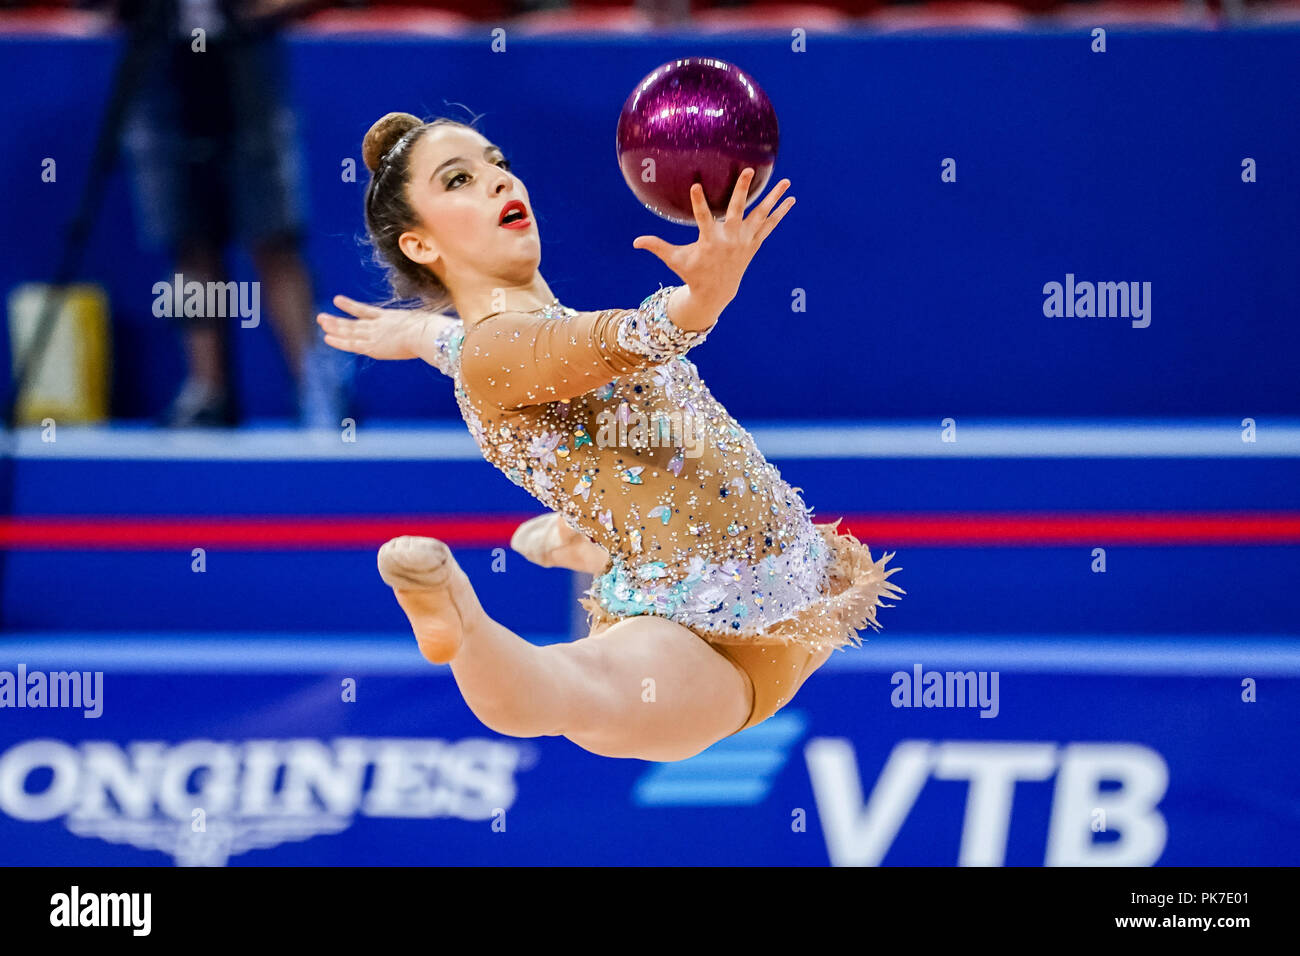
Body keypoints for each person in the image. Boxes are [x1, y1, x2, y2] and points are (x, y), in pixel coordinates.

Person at [316, 112, 904, 762]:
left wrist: (422, 335)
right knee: (570, 689)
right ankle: (456, 615)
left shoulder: (487, 347)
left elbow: (490, 346)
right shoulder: (496, 350)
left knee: (593, 558)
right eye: (458, 179)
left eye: (497, 162)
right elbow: (611, 342)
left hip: (794, 591)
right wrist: (698, 302)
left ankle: (566, 541)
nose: (497, 182)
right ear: (421, 245)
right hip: (695, 650)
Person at [102, 0, 348, 425]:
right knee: (186, 237)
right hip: (162, 57)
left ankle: (316, 386)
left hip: (245, 55)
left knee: (274, 233)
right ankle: (207, 390)